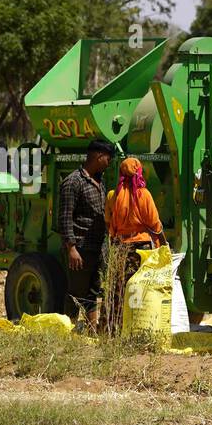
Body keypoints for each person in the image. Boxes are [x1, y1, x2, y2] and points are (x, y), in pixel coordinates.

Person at [104, 157, 165, 333]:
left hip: (120, 247)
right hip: (142, 249)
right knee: (139, 288)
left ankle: (115, 328)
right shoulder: (144, 194)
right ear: (138, 172)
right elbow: (154, 222)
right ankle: (137, 326)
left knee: (119, 288)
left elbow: (108, 222)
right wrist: (162, 241)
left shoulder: (112, 195)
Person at [58, 139, 115, 324]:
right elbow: (65, 217)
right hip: (80, 248)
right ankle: (68, 330)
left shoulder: (99, 180)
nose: (109, 163)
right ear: (99, 157)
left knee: (93, 291)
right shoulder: (73, 182)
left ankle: (92, 330)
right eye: (108, 158)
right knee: (76, 292)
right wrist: (71, 249)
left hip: (97, 247)